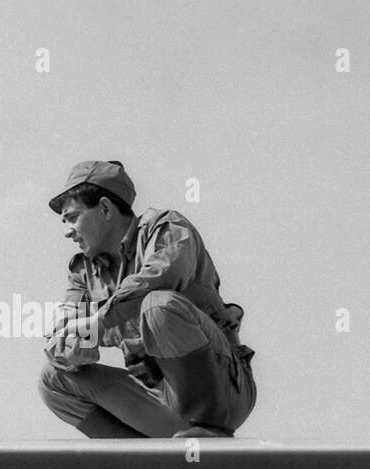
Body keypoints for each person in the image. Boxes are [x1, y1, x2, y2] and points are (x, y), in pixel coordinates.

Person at [38, 160, 257, 438]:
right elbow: (61, 332)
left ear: (105, 208)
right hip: (158, 398)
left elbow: (160, 277)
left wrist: (97, 323)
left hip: (221, 390)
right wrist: (72, 352)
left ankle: (208, 432)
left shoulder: (166, 228)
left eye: (72, 217)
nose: (67, 230)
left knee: (159, 305)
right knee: (54, 380)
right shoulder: (84, 271)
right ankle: (145, 464)